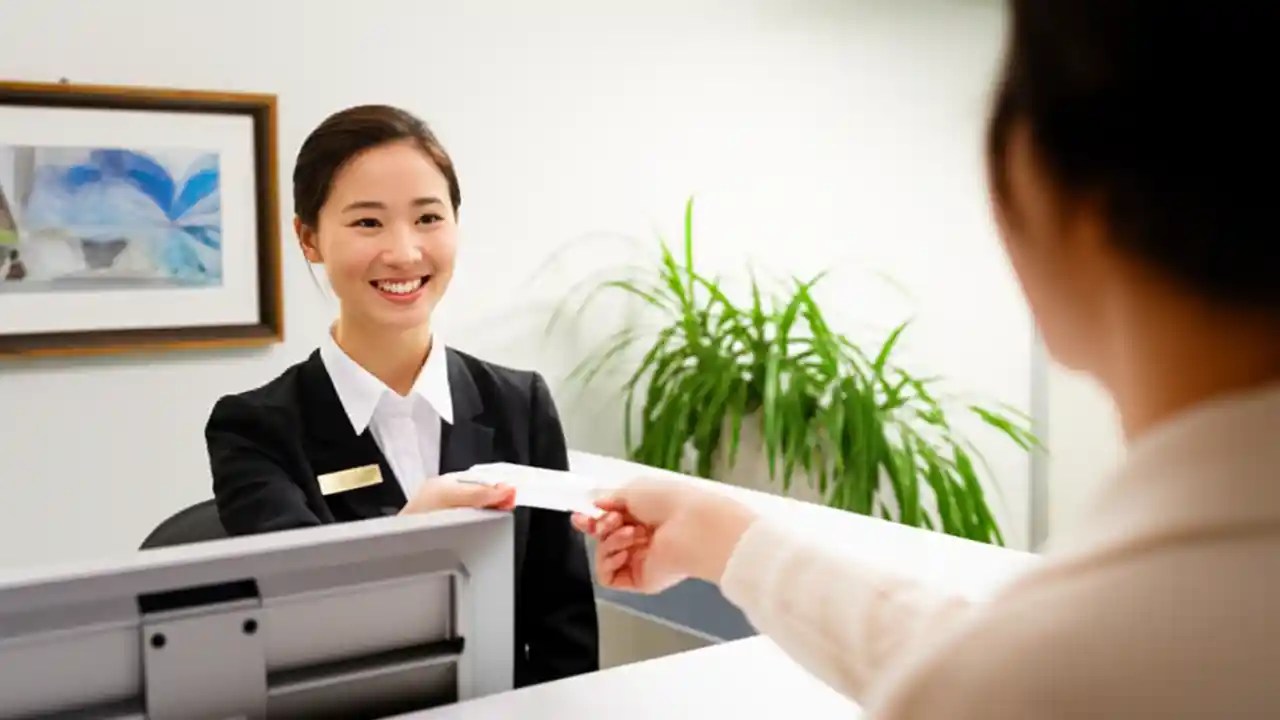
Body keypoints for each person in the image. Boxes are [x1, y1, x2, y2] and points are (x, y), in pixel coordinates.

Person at [574, 3, 1280, 717]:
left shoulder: (1047, 675)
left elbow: (1002, 673)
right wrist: (729, 540)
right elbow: (975, 654)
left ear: (1038, 191)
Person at [205, 105, 598, 688]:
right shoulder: (253, 427)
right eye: (368, 223)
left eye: (428, 218)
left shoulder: (521, 403)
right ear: (308, 238)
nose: (405, 252)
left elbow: (563, 633)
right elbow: (298, 615)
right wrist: (410, 532)